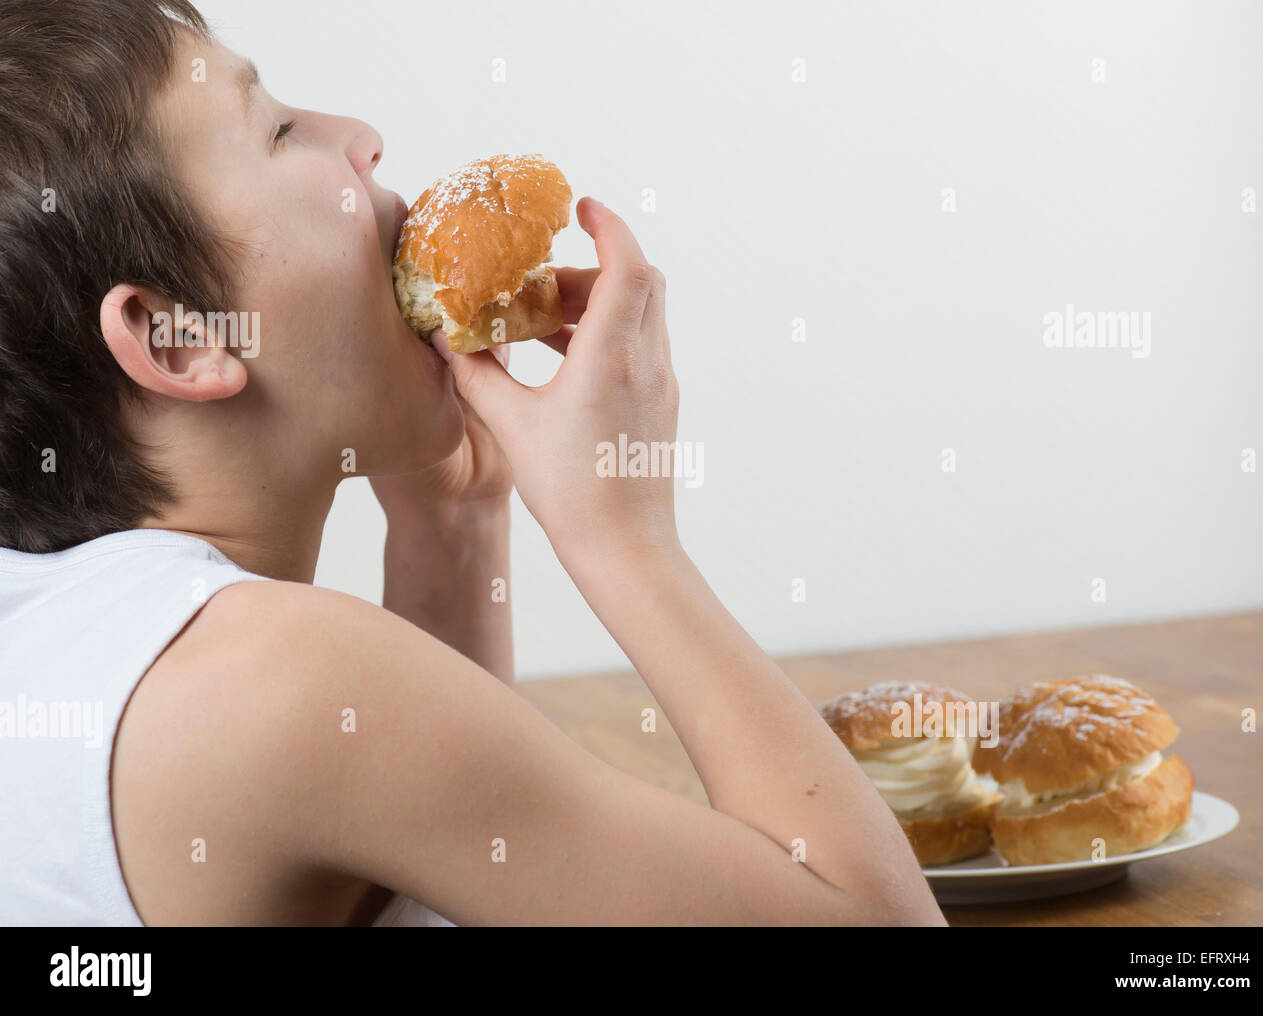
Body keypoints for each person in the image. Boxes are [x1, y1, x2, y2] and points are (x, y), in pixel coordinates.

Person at [0, 0, 946, 926]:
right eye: (282, 131)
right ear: (174, 337)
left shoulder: (65, 633)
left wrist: (453, 515)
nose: (363, 137)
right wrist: (624, 539)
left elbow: (467, 857)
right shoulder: (279, 680)